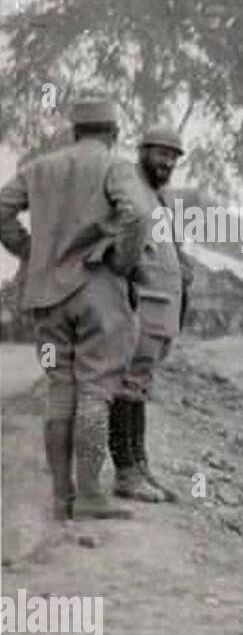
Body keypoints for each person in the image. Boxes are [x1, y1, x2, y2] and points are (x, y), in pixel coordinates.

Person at [0, 97, 144, 520]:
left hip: (45, 301)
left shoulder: (39, 168)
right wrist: (122, 260)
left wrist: (30, 252)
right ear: (113, 133)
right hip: (98, 292)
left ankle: (61, 497)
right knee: (96, 390)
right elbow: (135, 215)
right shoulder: (114, 166)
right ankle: (90, 496)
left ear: (74, 131)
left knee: (60, 389)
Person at [108, 126, 188, 503]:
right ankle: (125, 472)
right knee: (126, 386)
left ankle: (140, 465)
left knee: (139, 388)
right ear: (143, 152)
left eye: (173, 157)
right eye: (161, 154)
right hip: (141, 303)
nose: (167, 162)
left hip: (161, 308)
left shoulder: (158, 199)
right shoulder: (130, 188)